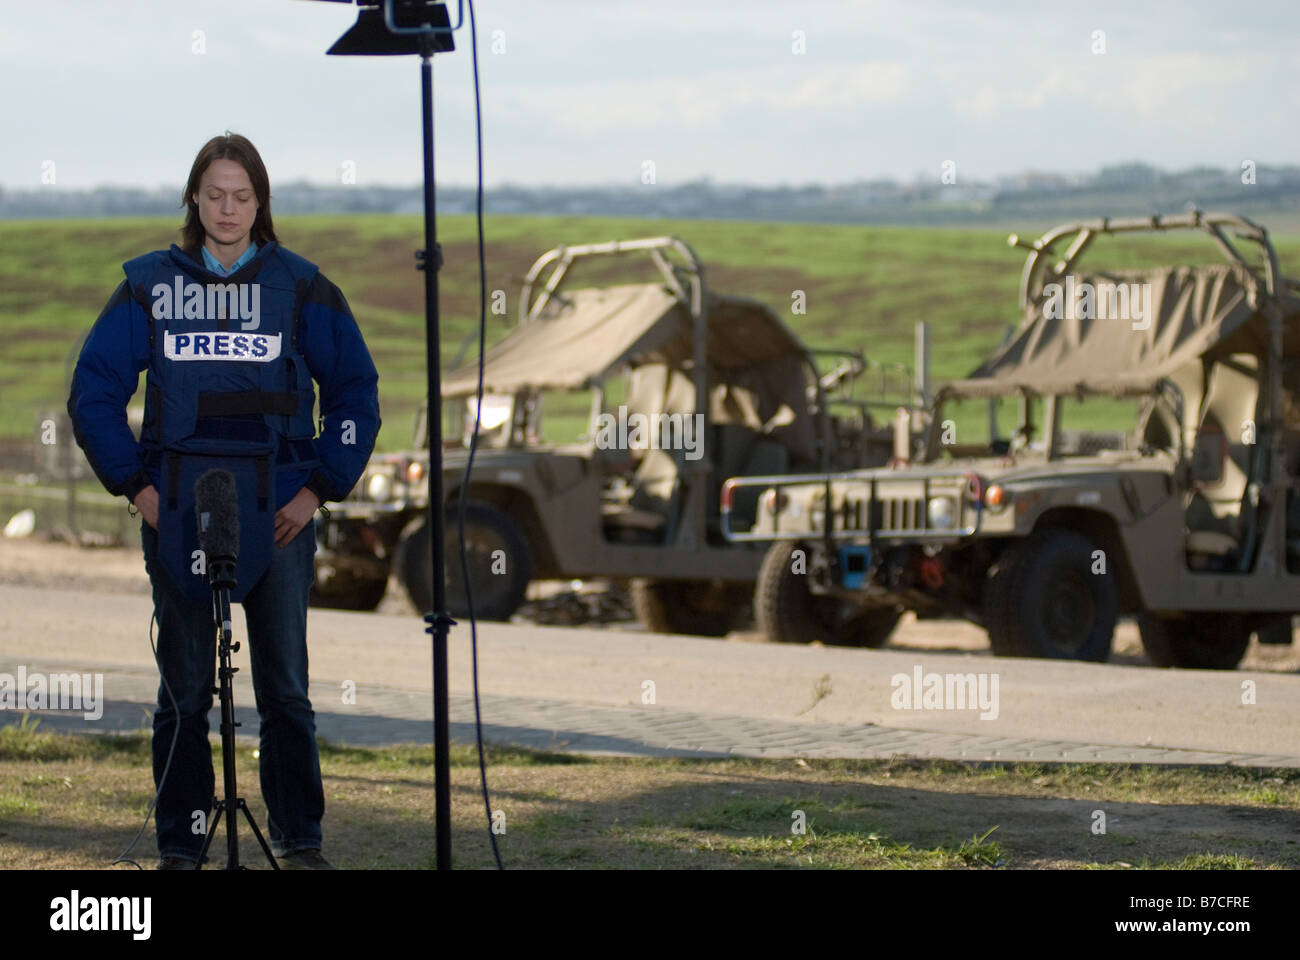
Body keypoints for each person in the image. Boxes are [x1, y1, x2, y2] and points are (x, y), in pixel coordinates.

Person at [67, 133, 380, 869]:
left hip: (280, 514)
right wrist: (137, 487)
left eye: (242, 196)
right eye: (215, 195)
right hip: (179, 511)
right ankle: (181, 842)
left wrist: (318, 489)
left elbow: (355, 394)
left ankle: (300, 840)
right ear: (194, 199)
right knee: (183, 692)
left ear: (260, 202)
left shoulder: (302, 287)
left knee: (285, 690)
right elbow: (93, 394)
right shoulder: (149, 284)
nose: (228, 208)